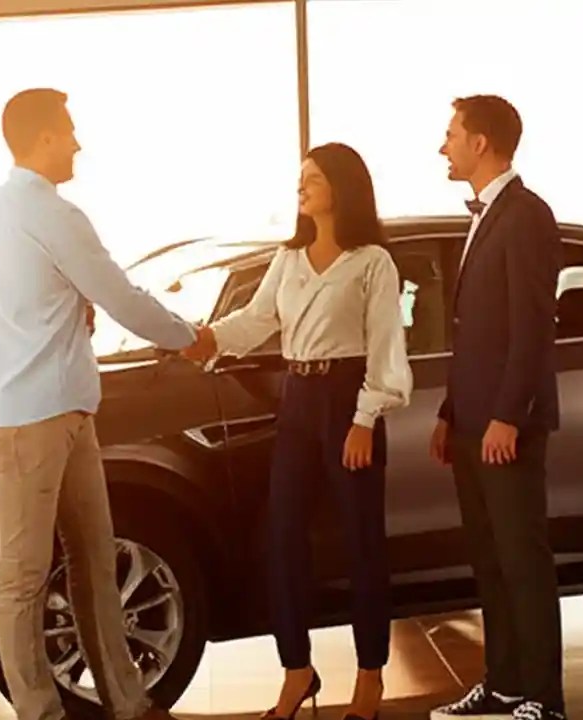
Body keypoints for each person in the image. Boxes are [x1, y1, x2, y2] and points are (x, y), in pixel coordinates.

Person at [0, 87, 197, 720]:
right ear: (42, 136)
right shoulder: (53, 213)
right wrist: (189, 338)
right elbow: (119, 294)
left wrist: (77, 306)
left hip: (66, 411)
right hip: (32, 419)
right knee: (21, 574)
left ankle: (127, 702)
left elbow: (33, 300)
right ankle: (41, 712)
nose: (77, 143)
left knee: (96, 558)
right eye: (68, 131)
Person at [183, 143, 412, 720]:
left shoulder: (372, 263)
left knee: (362, 546)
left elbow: (387, 352)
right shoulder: (289, 259)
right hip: (298, 401)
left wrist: (364, 420)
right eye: (300, 179)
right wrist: (207, 338)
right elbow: (259, 320)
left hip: (348, 401)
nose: (302, 188)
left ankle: (370, 678)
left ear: (343, 186)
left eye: (312, 179)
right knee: (281, 540)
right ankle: (297, 671)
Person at [427, 95, 566, 720]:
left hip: (506, 425)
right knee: (490, 562)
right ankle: (506, 684)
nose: (443, 146)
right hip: (472, 423)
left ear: (481, 142)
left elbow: (532, 328)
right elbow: (475, 330)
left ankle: (545, 698)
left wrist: (508, 414)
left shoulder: (527, 216)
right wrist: (451, 412)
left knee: (522, 562)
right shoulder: (487, 217)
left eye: (452, 134)